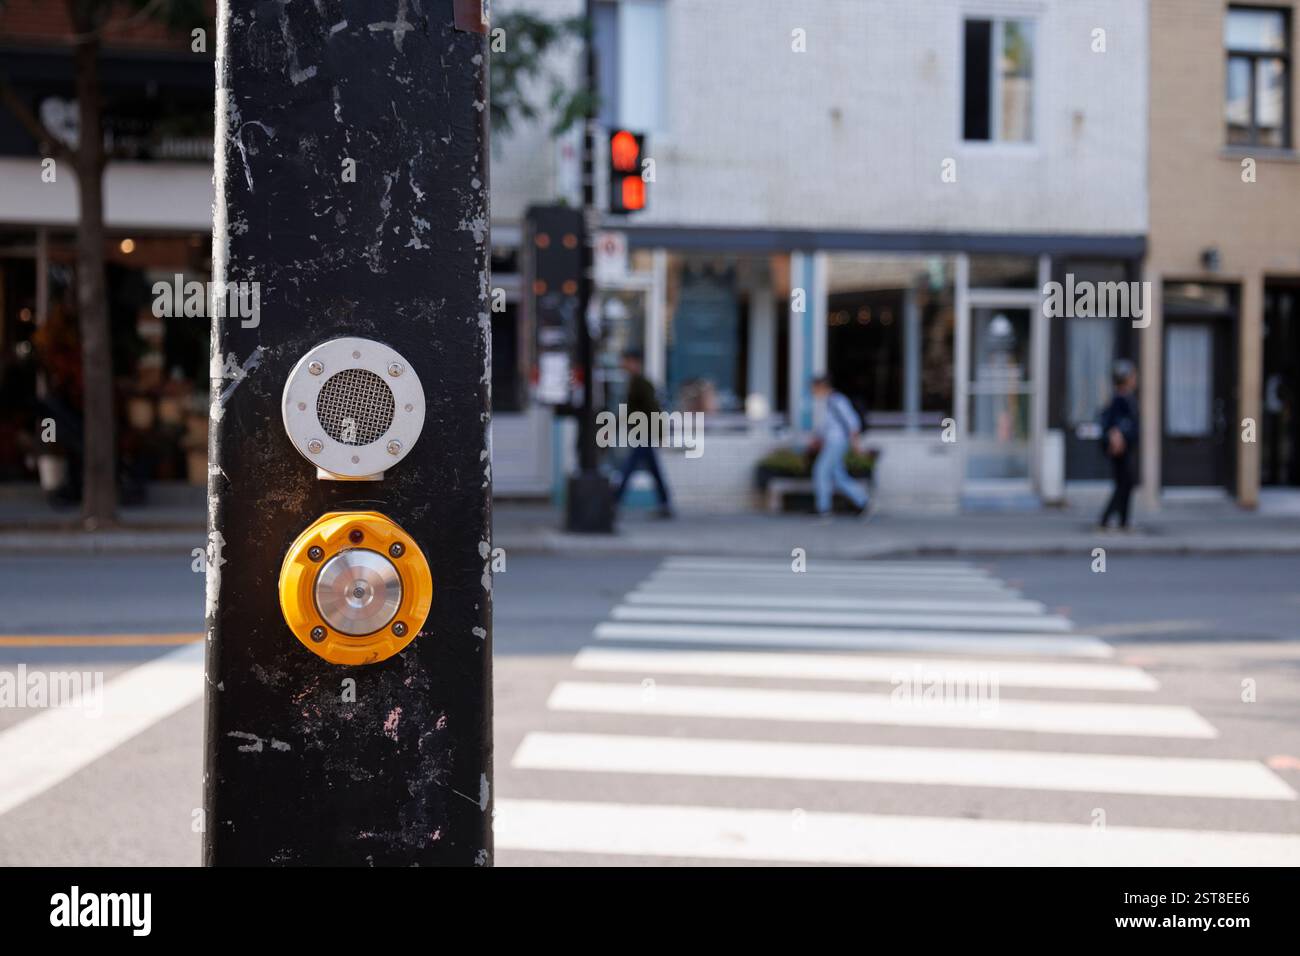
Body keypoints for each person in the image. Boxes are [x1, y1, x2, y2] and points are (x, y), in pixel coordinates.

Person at [615, 349, 673, 518]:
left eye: (625, 361)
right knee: (653, 470)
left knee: (629, 467)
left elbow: (653, 409)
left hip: (645, 433)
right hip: (642, 433)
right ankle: (665, 504)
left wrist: (660, 433)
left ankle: (614, 501)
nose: (622, 365)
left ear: (634, 363)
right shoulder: (634, 382)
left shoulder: (642, 383)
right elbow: (630, 411)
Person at [810, 375, 870, 520]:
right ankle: (862, 501)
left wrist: (856, 445)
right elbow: (824, 427)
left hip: (838, 442)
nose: (812, 391)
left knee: (821, 471)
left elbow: (852, 423)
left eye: (814, 387)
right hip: (831, 443)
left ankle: (823, 508)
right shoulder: (822, 402)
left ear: (822, 386)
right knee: (838, 476)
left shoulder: (836, 400)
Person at [1098, 359, 1139, 531]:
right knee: (1124, 483)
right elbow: (1111, 424)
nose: (1135, 379)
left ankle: (1123, 521)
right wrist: (1116, 437)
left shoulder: (1126, 398)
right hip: (1120, 450)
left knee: (1127, 484)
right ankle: (1107, 519)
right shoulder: (1119, 399)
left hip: (1126, 448)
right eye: (1132, 376)